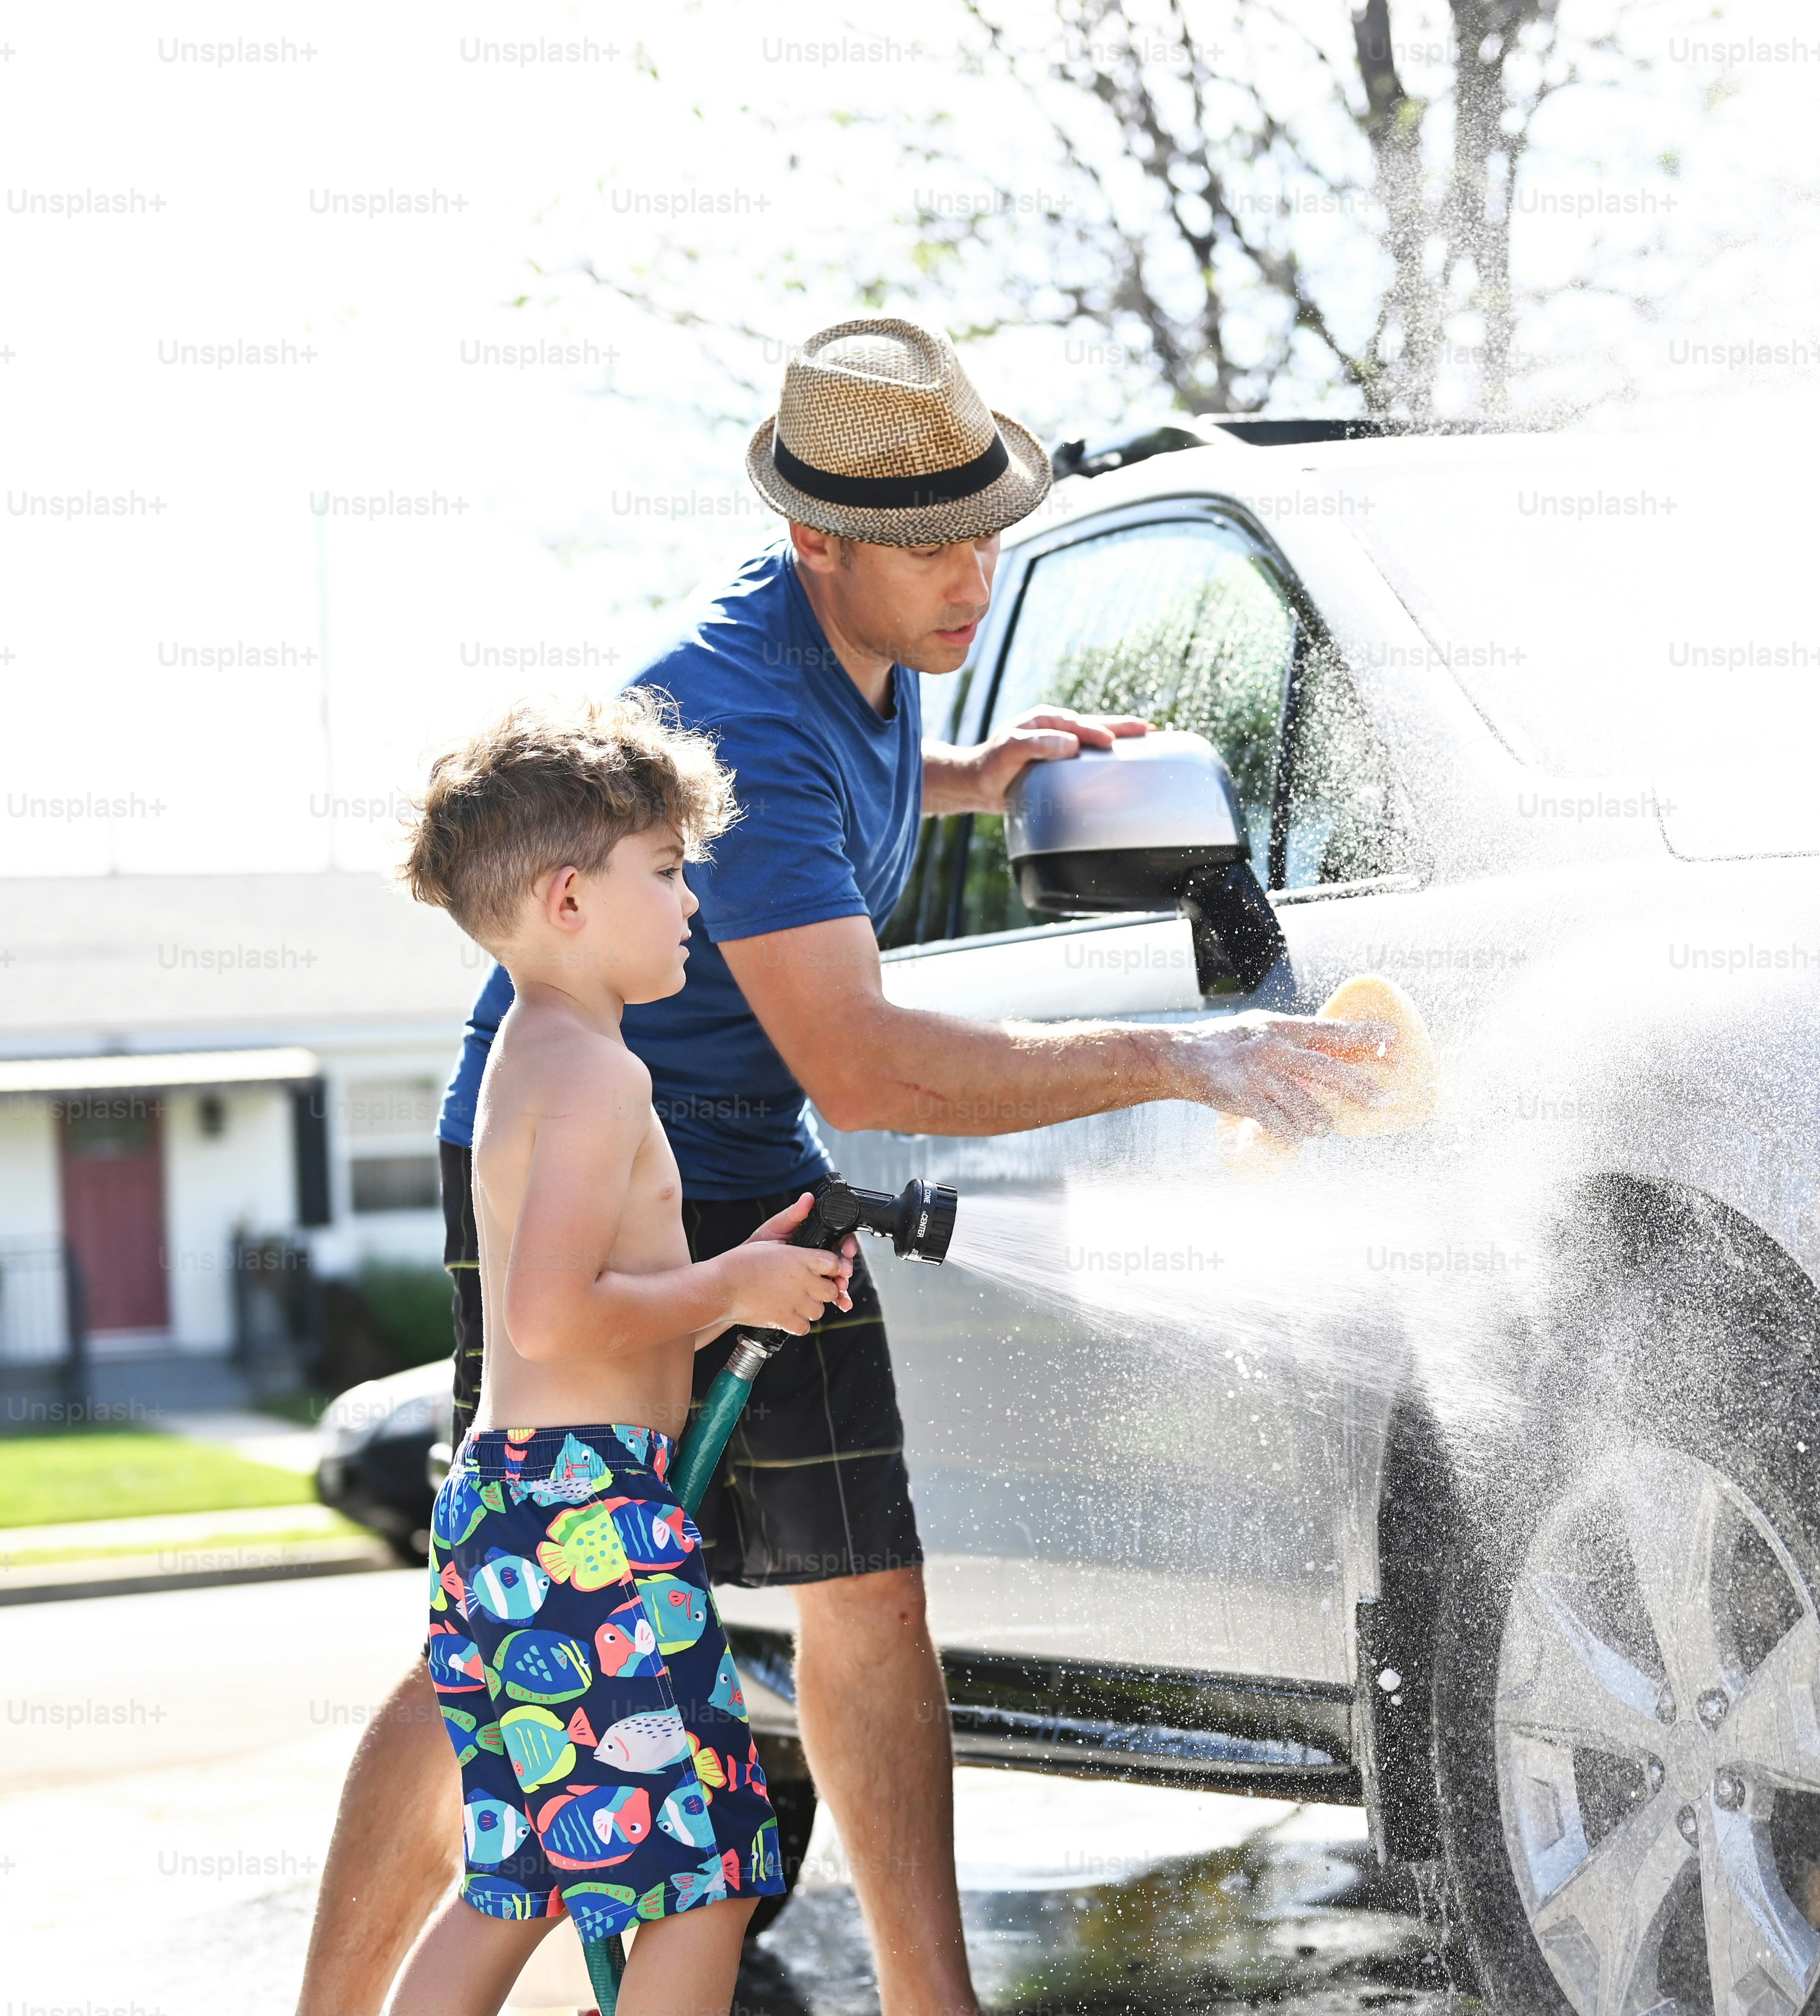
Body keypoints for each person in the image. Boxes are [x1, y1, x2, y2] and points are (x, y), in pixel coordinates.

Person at [298, 317, 1391, 2014]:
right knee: (501, 1636)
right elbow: (867, 1062)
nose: (975, 575)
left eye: (984, 530)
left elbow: (808, 814)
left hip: (743, 1160)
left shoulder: (871, 661)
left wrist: (973, 777)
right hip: (584, 1158)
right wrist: (1188, 1054)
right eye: (932, 547)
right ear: (816, 540)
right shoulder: (733, 698)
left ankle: (928, 2005)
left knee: (865, 1595)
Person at [382, 692, 856, 2013]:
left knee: (523, 1879)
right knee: (707, 1872)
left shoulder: (542, 1056)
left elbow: (590, 1298)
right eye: (666, 870)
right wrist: (730, 1280)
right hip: (586, 1516)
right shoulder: (597, 1075)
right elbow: (549, 1316)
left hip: (514, 1513)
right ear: (569, 900)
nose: (694, 901)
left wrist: (737, 1283)